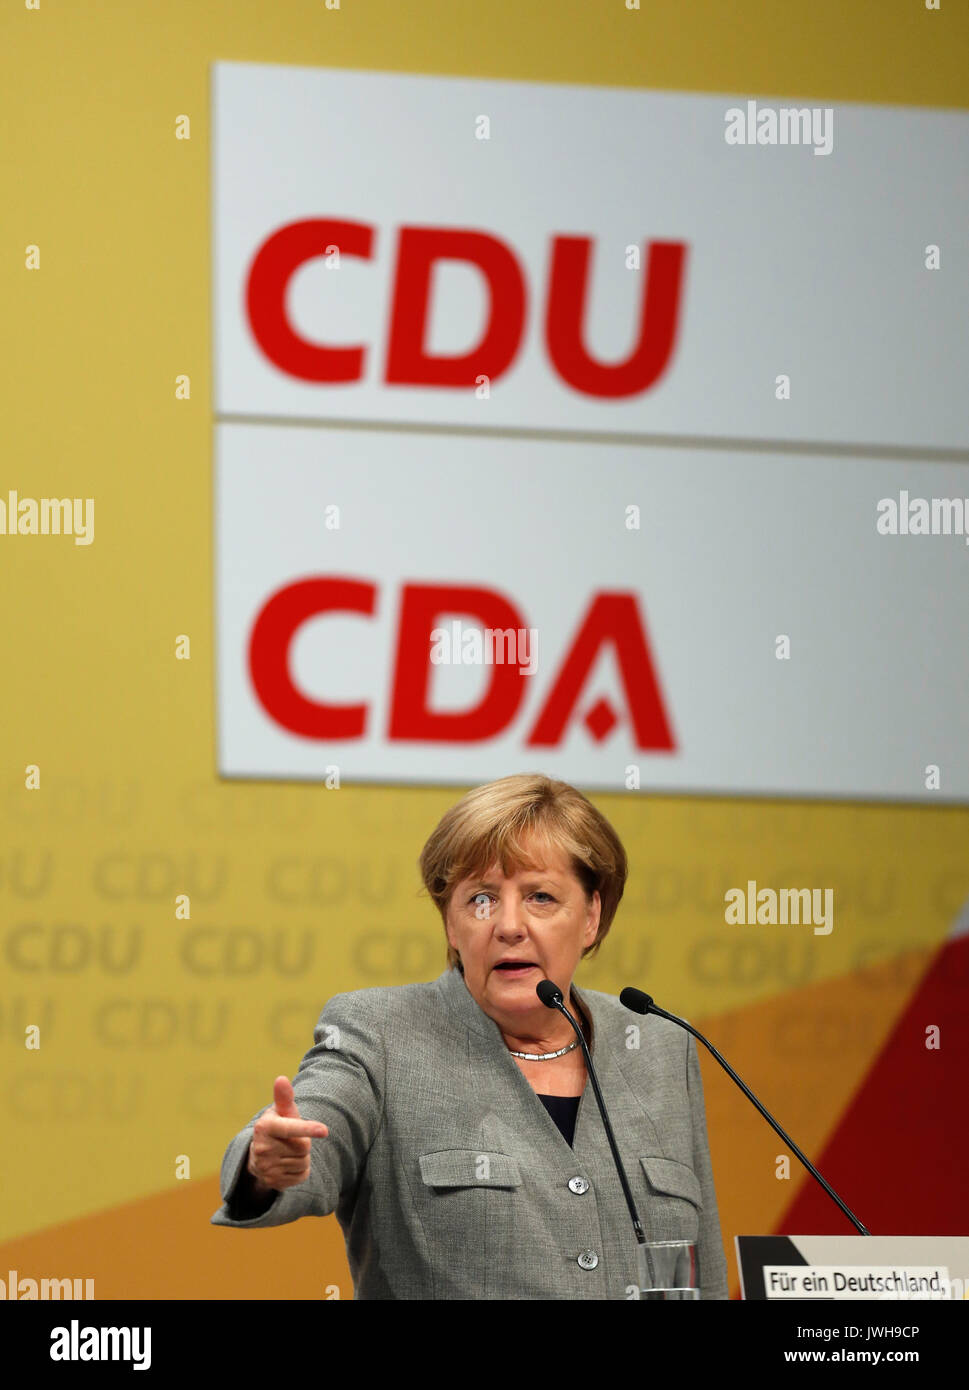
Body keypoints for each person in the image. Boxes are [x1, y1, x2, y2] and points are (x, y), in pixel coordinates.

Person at [211, 773, 729, 1300]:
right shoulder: (381, 1035)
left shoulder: (660, 1047)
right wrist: (266, 1164)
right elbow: (313, 1135)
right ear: (451, 926)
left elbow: (700, 1269)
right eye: (480, 899)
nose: (508, 925)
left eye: (542, 897)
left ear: (591, 916)